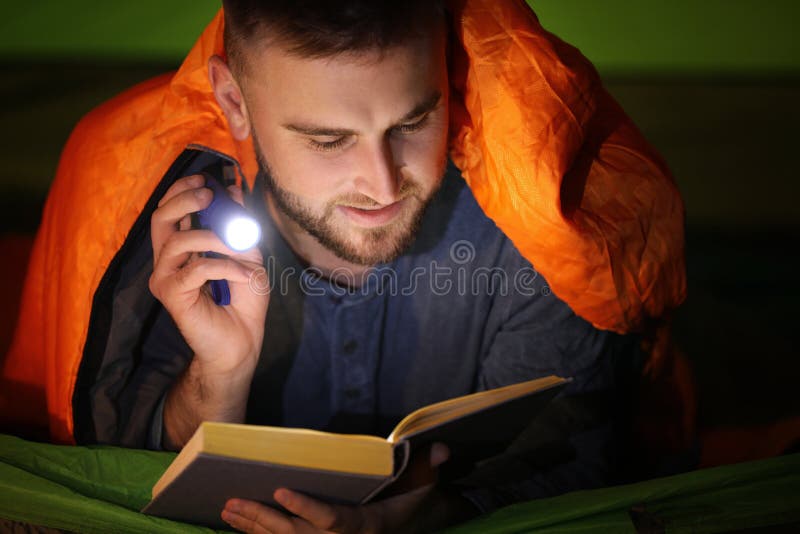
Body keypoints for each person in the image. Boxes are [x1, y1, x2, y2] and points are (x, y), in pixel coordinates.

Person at [0, 0, 689, 532]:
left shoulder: (541, 211)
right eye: (329, 140)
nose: (383, 184)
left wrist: (441, 513)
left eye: (414, 122)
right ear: (236, 103)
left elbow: (583, 452)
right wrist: (218, 377)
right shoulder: (166, 217)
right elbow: (113, 466)